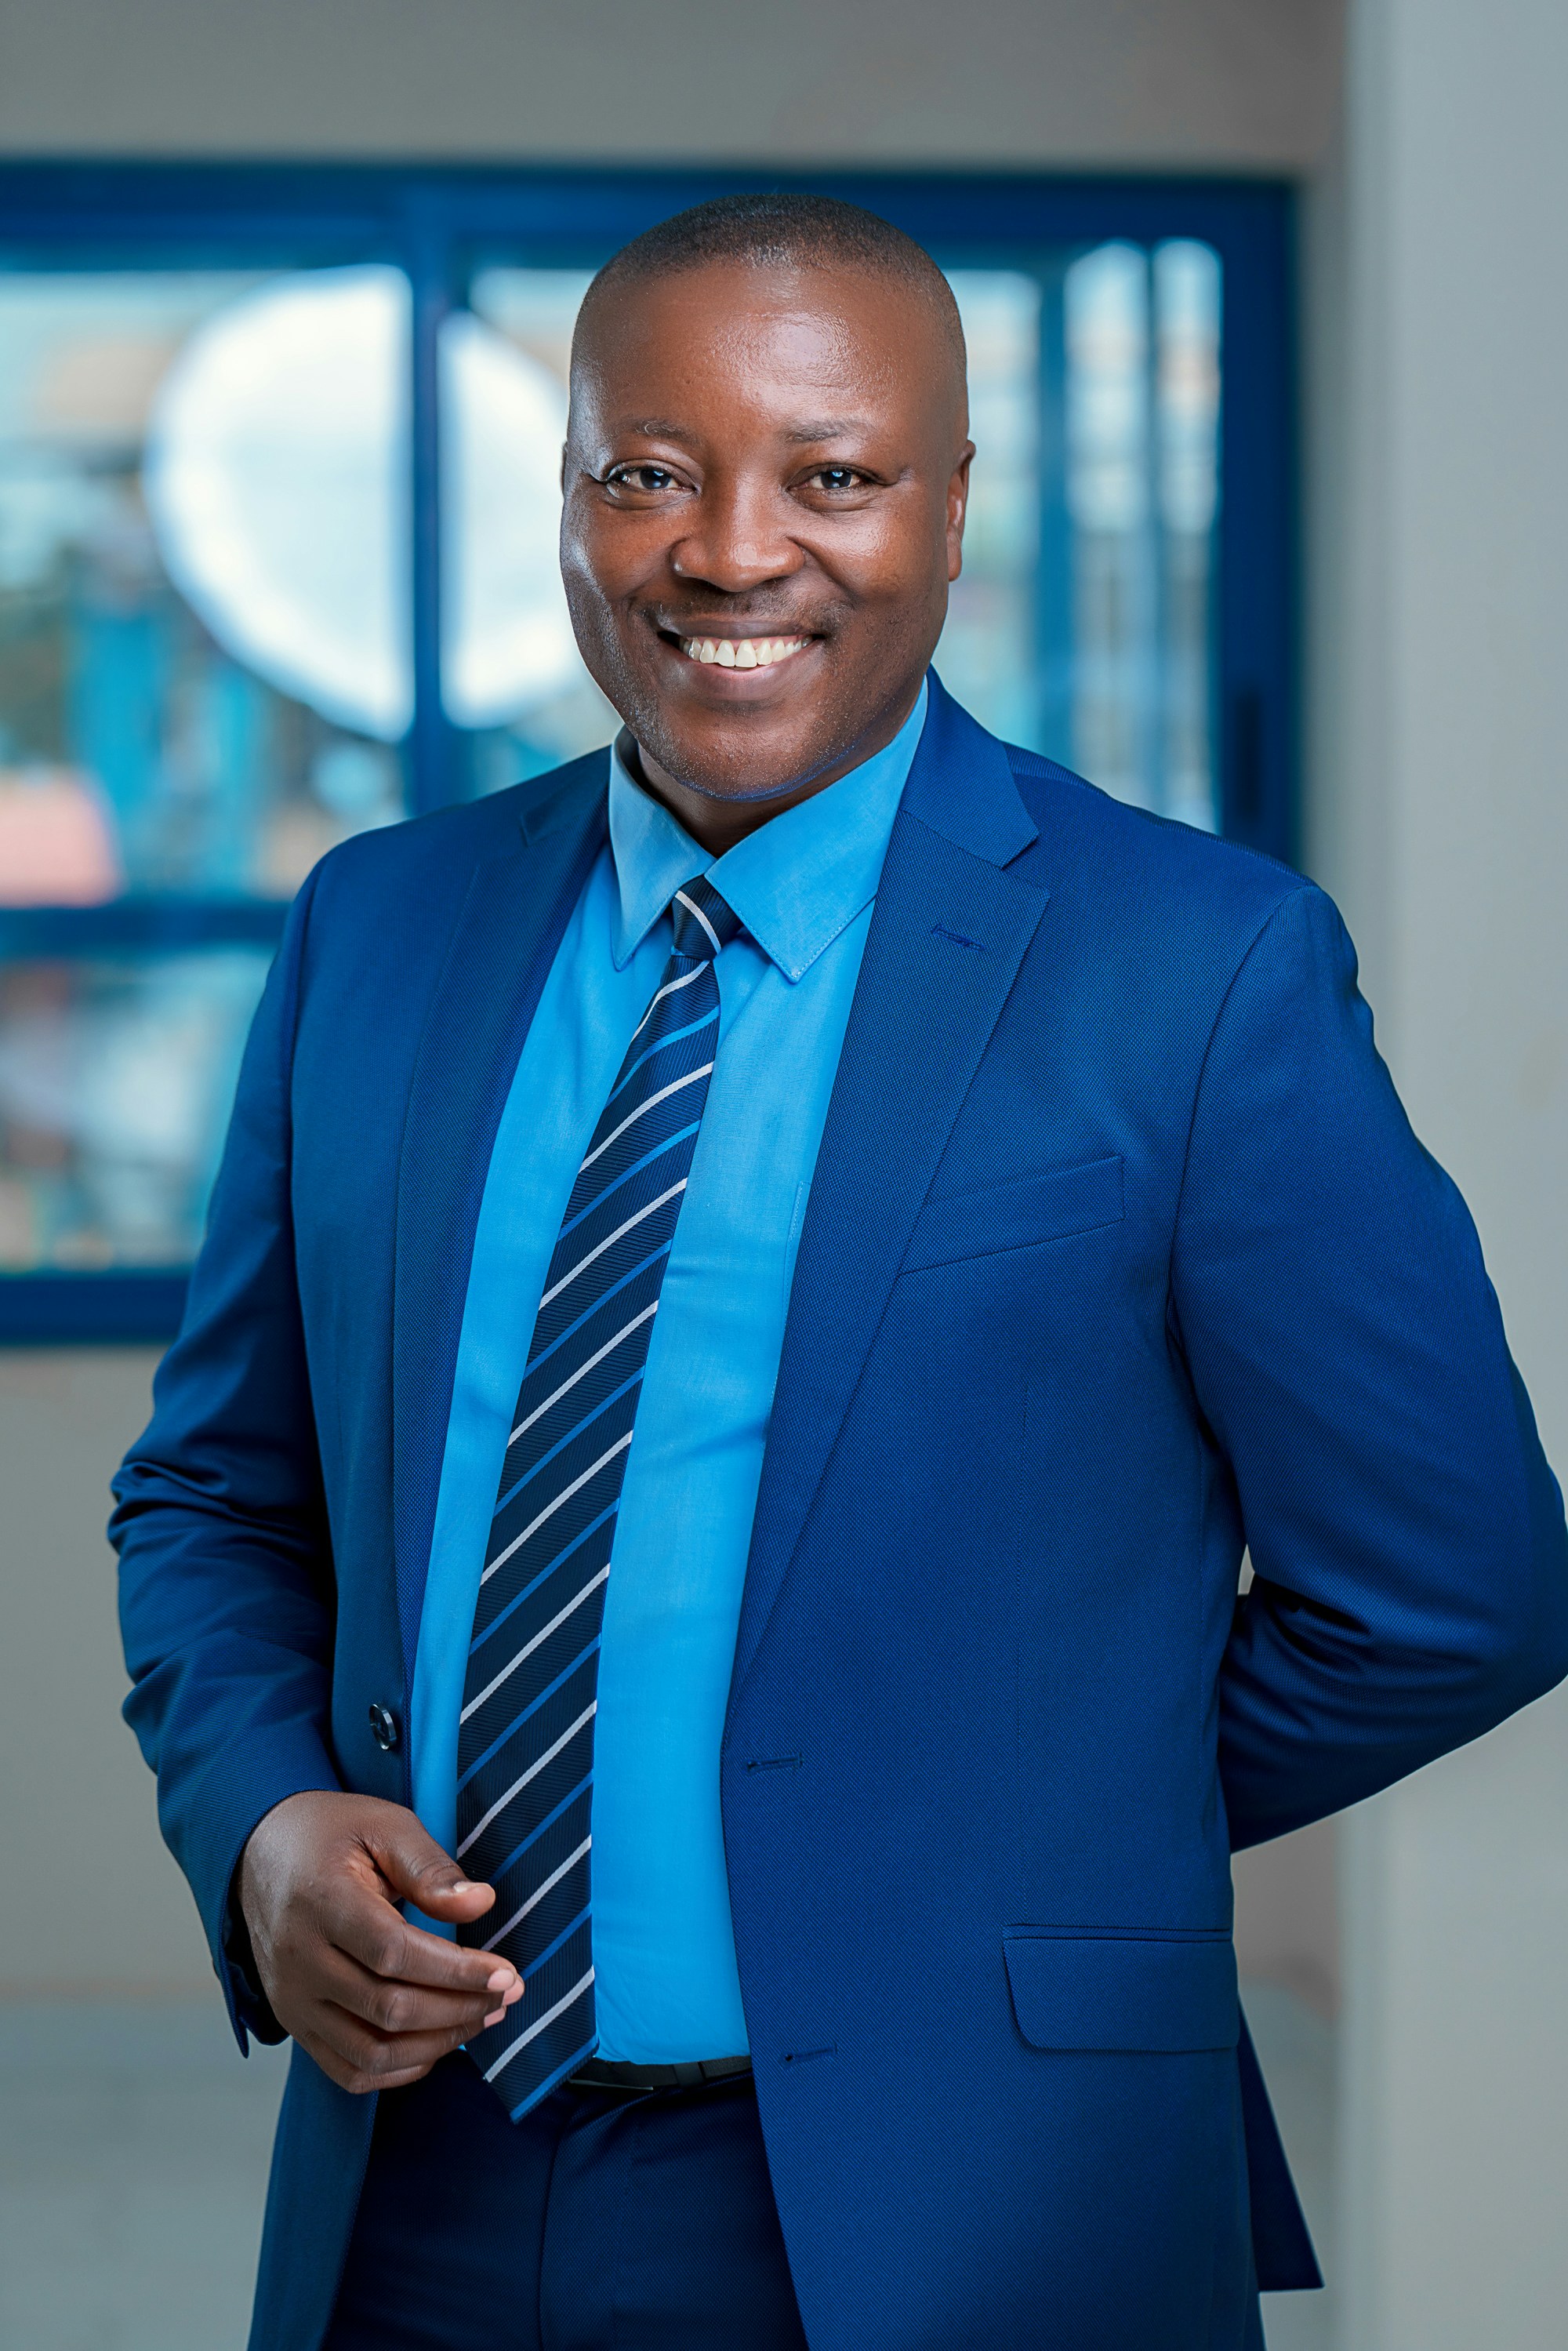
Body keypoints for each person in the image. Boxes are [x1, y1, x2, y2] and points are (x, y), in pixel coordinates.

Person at [112, 194, 1568, 2351]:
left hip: (968, 2194)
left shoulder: (1192, 969)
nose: (729, 550)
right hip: (413, 2186)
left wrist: (973, 1822)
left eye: (837, 473)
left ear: (955, 510)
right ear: (574, 498)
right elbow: (222, 1497)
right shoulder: (381, 931)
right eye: (650, 471)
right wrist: (256, 1827)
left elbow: (1459, 1587)